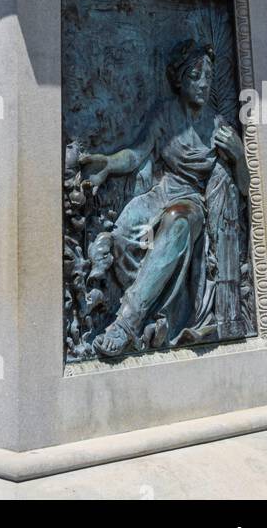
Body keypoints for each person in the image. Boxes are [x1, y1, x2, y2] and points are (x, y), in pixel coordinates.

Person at [81, 40, 250, 359]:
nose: (203, 83)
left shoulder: (219, 127)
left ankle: (126, 324)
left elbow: (243, 188)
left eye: (208, 76)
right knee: (126, 226)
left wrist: (239, 157)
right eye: (195, 75)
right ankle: (139, 308)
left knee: (177, 221)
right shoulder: (165, 114)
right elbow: (136, 154)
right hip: (161, 193)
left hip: (194, 204)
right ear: (179, 79)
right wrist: (106, 163)